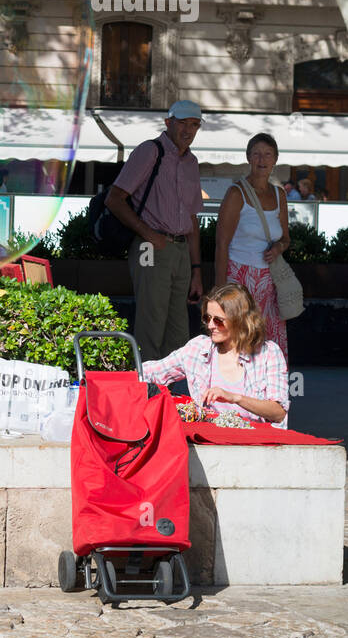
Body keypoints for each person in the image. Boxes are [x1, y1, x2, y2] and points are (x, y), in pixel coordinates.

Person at [106, 99, 204, 362]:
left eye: (194, 125)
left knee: (179, 331)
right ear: (168, 123)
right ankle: (146, 391)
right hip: (149, 246)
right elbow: (114, 199)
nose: (188, 130)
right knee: (151, 324)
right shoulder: (150, 151)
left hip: (181, 249)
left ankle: (169, 396)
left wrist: (197, 271)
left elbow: (192, 219)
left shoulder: (191, 162)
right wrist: (149, 234)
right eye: (182, 123)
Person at [142, 282, 289, 428]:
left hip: (256, 444)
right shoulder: (198, 348)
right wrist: (123, 374)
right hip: (211, 441)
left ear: (240, 320)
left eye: (218, 320)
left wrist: (234, 398)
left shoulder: (268, 353)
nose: (210, 325)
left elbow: (278, 413)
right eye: (207, 318)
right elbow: (151, 372)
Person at [214, 132, 291, 360]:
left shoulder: (280, 195)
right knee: (239, 341)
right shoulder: (236, 193)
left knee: (269, 343)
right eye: (256, 154)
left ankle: (268, 393)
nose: (262, 159)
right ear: (248, 158)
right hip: (239, 279)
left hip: (271, 282)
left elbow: (286, 238)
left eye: (267, 154)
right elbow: (221, 244)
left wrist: (278, 248)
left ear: (275, 159)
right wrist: (218, 293)